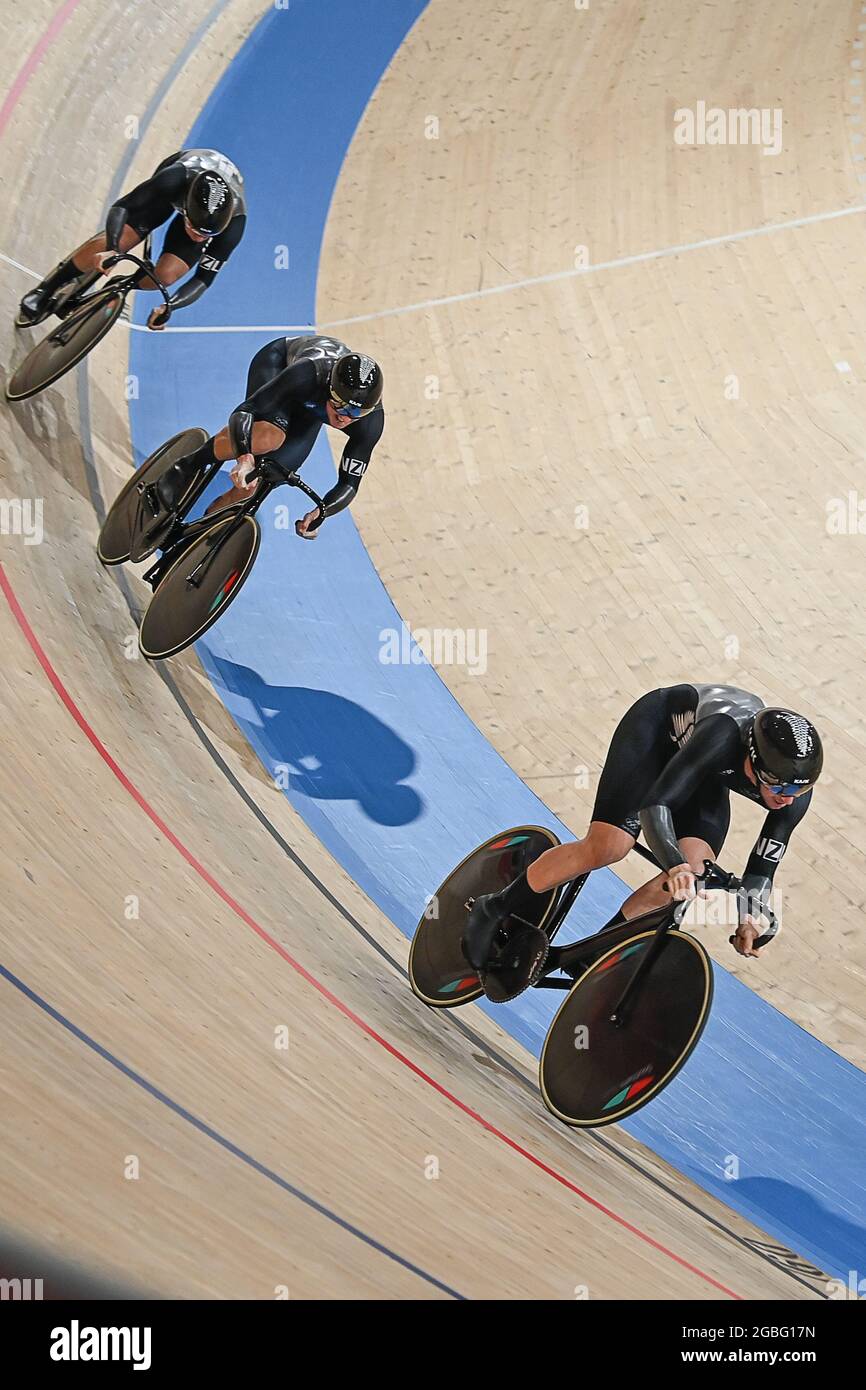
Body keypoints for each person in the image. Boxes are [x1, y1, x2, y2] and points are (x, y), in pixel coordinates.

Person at [464, 684, 823, 970]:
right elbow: (657, 804)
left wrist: (748, 919)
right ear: (753, 761)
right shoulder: (722, 736)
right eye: (779, 787)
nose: (787, 798)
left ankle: (594, 955)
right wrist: (673, 863)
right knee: (610, 846)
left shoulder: (792, 794)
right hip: (655, 737)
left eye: (799, 789)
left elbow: (762, 867)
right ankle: (494, 907)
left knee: (695, 875)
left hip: (702, 769)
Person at [154, 334, 384, 537]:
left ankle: (199, 533)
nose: (346, 418)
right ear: (330, 389)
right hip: (279, 365)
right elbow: (245, 411)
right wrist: (244, 457)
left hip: (312, 408)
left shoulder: (370, 421)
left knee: (264, 480)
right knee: (268, 438)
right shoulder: (307, 373)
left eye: (357, 412)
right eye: (341, 407)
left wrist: (322, 511)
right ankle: (185, 466)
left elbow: (349, 484)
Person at [18, 149, 246, 328]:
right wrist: (113, 248)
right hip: (181, 178)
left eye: (205, 235)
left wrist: (170, 307)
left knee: (166, 276)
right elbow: (122, 207)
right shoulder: (173, 179)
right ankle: (47, 289)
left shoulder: (234, 225)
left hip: (204, 202)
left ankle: (123, 284)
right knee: (119, 241)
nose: (197, 238)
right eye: (195, 229)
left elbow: (203, 280)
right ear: (185, 208)